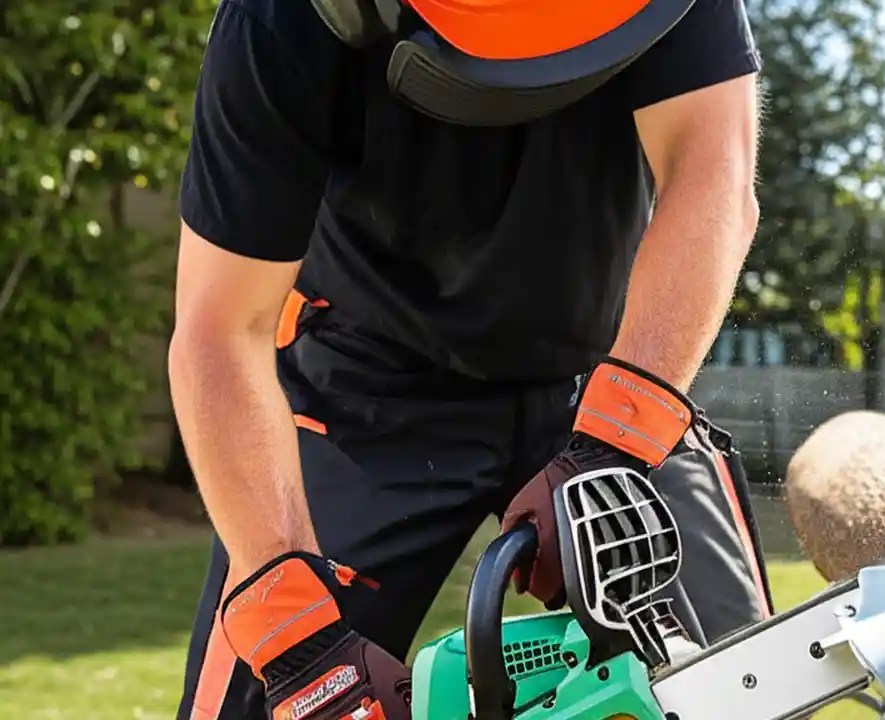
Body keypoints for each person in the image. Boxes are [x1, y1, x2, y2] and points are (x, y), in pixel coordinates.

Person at [168, 0, 773, 718]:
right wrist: (299, 643)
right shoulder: (280, 21)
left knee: (744, 684)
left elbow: (714, 177)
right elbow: (221, 330)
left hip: (608, 373)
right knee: (276, 693)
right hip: (361, 388)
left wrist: (614, 442)